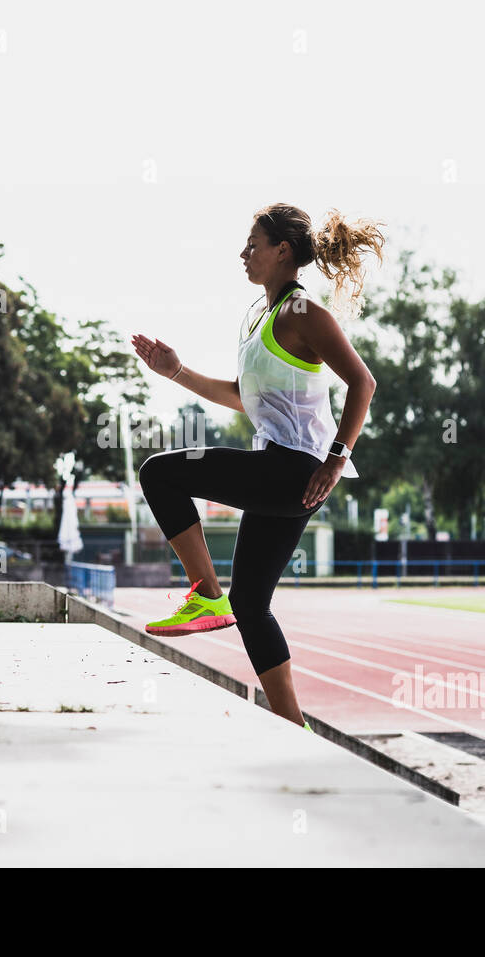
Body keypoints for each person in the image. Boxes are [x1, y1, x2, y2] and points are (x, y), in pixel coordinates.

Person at [130, 204, 382, 728]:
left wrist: (336, 461)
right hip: (278, 471)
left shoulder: (304, 314)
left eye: (252, 244)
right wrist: (175, 371)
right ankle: (295, 724)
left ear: (281, 251)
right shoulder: (261, 318)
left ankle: (204, 595)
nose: (243, 253)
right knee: (251, 602)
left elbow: (363, 382)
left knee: (159, 472)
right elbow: (248, 399)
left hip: (297, 472)